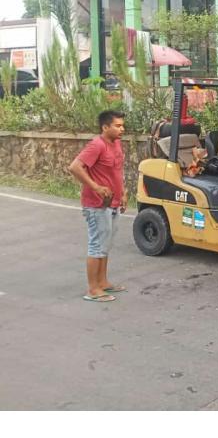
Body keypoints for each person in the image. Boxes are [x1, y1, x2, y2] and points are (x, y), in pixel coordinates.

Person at [68, 110, 127, 302]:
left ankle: (103, 283)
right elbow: (75, 167)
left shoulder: (116, 144)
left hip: (113, 203)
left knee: (105, 245)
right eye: (117, 126)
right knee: (97, 246)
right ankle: (93, 290)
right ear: (105, 127)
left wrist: (123, 193)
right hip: (97, 205)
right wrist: (95, 187)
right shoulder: (97, 145)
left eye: (122, 125)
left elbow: (117, 170)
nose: (122, 129)